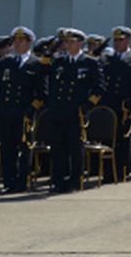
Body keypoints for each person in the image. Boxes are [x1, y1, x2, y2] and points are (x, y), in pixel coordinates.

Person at [43, 28, 104, 193]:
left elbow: (99, 88)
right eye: (67, 42)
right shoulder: (59, 62)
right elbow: (49, 82)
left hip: (76, 112)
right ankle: (58, 181)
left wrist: (87, 105)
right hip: (58, 111)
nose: (68, 45)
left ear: (80, 43)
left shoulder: (90, 62)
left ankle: (75, 181)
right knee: (57, 148)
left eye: (72, 42)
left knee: (75, 148)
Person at [0, 27, 45, 193]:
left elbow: (42, 92)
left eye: (22, 40)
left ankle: (22, 182)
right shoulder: (6, 62)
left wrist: (32, 109)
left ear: (29, 43)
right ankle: (9, 182)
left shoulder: (36, 64)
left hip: (25, 113)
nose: (18, 44)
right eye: (15, 40)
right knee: (7, 149)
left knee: (25, 148)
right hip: (7, 111)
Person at [99, 26, 131, 173]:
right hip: (109, 103)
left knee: (123, 138)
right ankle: (108, 171)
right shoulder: (107, 59)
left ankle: (121, 170)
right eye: (115, 40)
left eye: (120, 40)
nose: (117, 43)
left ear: (128, 40)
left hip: (124, 105)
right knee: (107, 137)